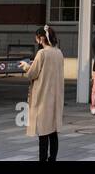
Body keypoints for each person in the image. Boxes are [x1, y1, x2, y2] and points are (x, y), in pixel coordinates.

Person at [20, 24, 65, 161]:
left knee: (43, 131)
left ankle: (43, 159)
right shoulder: (58, 52)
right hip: (56, 96)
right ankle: (53, 158)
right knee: (53, 130)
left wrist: (26, 66)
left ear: (41, 38)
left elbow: (32, 74)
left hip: (43, 96)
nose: (37, 41)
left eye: (37, 39)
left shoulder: (42, 53)